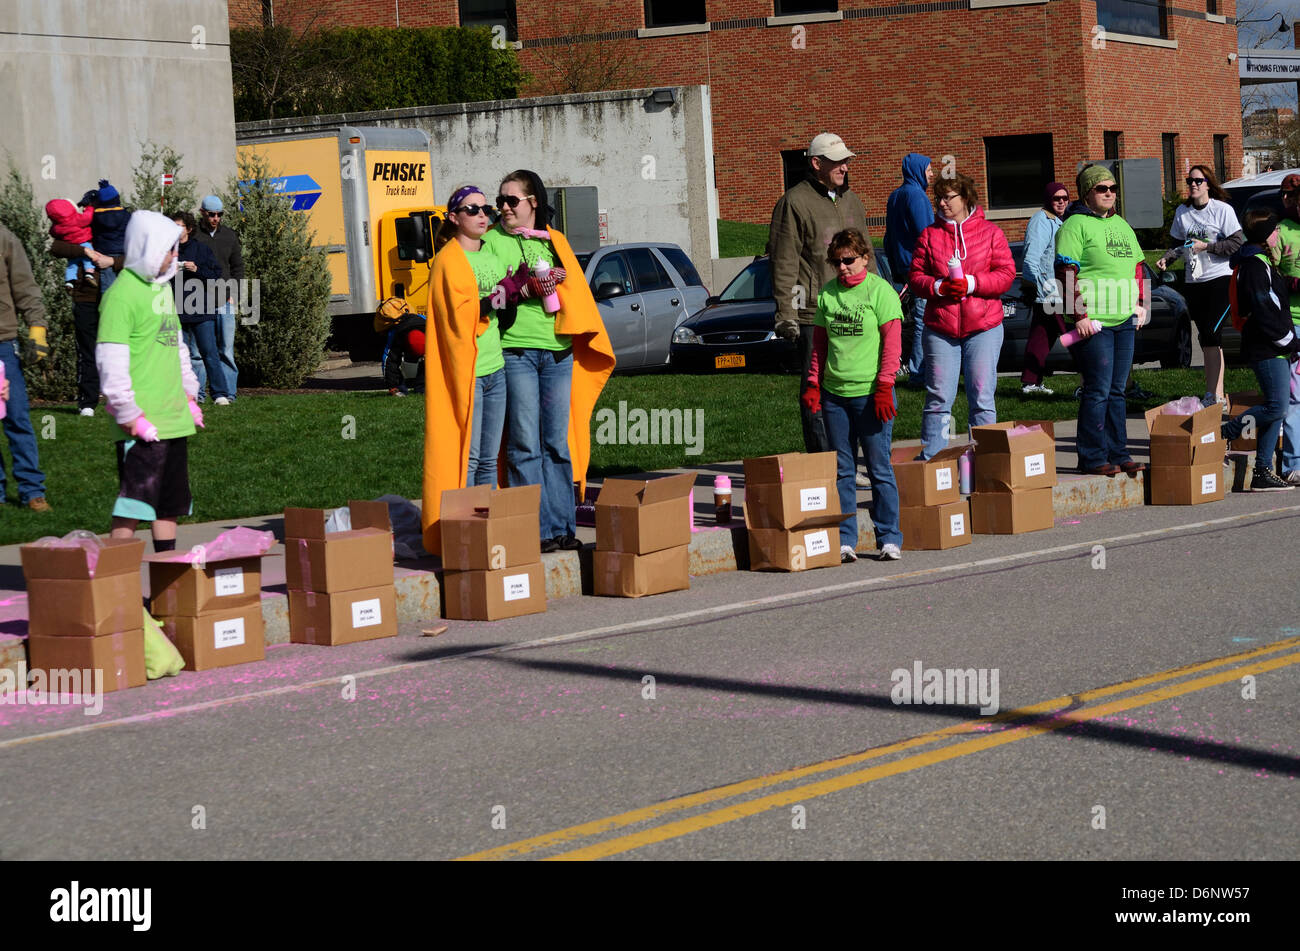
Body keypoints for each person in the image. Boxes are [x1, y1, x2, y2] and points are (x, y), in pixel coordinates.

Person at [462, 170, 615, 554]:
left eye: (511, 200)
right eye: (500, 201)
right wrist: (523, 288)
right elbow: (488, 296)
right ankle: (537, 529)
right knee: (524, 443)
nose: (503, 208)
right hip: (516, 352)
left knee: (556, 444)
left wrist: (559, 280)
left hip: (558, 352)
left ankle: (563, 527)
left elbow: (575, 292)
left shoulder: (553, 240)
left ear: (533, 202)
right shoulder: (491, 242)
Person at [97, 211, 203, 552]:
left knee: (168, 504)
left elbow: (178, 347)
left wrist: (189, 393)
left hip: (172, 417)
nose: (175, 256)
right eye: (168, 250)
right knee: (133, 505)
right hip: (142, 421)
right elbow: (110, 361)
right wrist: (126, 411)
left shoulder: (161, 291)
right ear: (147, 248)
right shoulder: (121, 296)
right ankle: (117, 583)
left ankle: (167, 584)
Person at [420, 185, 510, 552]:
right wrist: (491, 302)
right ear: (454, 217)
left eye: (484, 208)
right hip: (467, 372)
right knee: (468, 458)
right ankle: (463, 534)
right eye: (471, 209)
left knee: (490, 458)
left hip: (496, 368)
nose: (481, 214)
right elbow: (454, 317)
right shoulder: (448, 260)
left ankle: (487, 531)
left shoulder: (491, 252)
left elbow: (509, 293)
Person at [769, 133, 870, 454]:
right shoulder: (794, 203)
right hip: (813, 313)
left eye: (846, 160)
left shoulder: (852, 200)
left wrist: (880, 300)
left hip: (856, 309)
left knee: (853, 386)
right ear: (816, 163)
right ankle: (827, 462)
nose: (844, 165)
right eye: (837, 160)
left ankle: (849, 459)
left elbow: (868, 255)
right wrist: (786, 314)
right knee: (817, 389)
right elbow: (783, 261)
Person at [806, 229, 903, 563]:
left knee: (879, 468)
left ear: (865, 258)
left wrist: (885, 386)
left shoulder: (881, 292)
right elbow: (820, 344)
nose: (843, 267)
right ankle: (846, 539)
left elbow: (892, 345)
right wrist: (813, 383)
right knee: (843, 470)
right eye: (837, 262)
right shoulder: (829, 295)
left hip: (871, 393)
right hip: (836, 395)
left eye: (849, 260)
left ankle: (889, 537)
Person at [907, 172, 1015, 460]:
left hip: (984, 327)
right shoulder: (929, 235)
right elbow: (916, 277)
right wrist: (938, 286)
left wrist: (973, 283)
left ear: (965, 198)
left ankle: (987, 462)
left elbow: (1006, 276)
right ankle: (933, 462)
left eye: (948, 197)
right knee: (939, 397)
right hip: (941, 328)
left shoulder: (991, 233)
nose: (941, 203)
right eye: (938, 198)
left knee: (981, 396)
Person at [1055, 164, 1149, 476]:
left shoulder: (1122, 224)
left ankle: (1119, 453)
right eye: (1101, 189)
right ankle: (1092, 457)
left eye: (1112, 188)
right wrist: (1079, 314)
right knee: (1097, 388)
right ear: (1087, 193)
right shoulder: (1074, 225)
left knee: (1118, 390)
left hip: (1124, 320)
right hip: (1094, 322)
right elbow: (1066, 272)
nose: (1109, 193)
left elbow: (1137, 267)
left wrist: (1139, 304)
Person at [1221, 210, 1300, 491]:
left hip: (1274, 346)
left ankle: (1263, 471)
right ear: (1266, 234)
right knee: (1276, 407)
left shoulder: (1263, 261)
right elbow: (1264, 308)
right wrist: (1288, 340)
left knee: (1276, 409)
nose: (1279, 233)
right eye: (1276, 229)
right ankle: (1225, 433)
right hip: (1266, 346)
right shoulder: (1255, 264)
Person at [1154, 165, 1243, 410]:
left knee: (1212, 335)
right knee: (1207, 338)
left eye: (1198, 181)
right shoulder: (1183, 212)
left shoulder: (1221, 210)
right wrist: (1167, 258)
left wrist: (1208, 247)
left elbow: (1237, 243)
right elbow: (1178, 244)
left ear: (1208, 184)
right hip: (1194, 281)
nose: (1193, 185)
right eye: (1189, 181)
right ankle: (1219, 395)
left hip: (1219, 278)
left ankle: (1212, 395)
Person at [0, 222, 52, 511]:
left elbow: (26, 288)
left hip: (3, 344)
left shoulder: (5, 239)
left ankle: (32, 491)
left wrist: (37, 328)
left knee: (17, 418)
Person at [49, 228, 117, 417]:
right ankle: (88, 401)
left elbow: (134, 257)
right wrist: (84, 251)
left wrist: (112, 261)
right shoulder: (80, 227)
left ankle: (124, 397)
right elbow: (56, 247)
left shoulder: (118, 226)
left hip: (115, 296)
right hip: (85, 298)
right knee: (88, 350)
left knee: (119, 349)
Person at [884, 153, 935, 387]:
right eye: (928, 170)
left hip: (903, 266)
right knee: (924, 319)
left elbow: (888, 237)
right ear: (917, 171)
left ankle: (905, 367)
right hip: (921, 265)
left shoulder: (895, 196)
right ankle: (918, 372)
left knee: (907, 318)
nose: (932, 174)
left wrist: (896, 265)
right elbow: (928, 234)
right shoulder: (917, 196)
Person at [172, 211, 232, 405]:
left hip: (202, 309)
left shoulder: (201, 249)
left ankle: (220, 394)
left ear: (189, 229)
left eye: (179, 226)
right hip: (175, 310)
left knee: (210, 354)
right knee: (177, 357)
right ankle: (185, 394)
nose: (175, 229)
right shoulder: (166, 251)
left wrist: (197, 270)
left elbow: (215, 275)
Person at [1019, 182, 1070, 395]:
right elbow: (1031, 259)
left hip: (1055, 290)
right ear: (1048, 199)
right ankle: (1091, 378)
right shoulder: (1041, 221)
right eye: (1056, 198)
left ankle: (1032, 382)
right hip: (1050, 292)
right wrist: (1041, 290)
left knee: (1043, 336)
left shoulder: (1056, 222)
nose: (1061, 202)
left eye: (1065, 198)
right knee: (1073, 334)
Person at [193, 195, 244, 402]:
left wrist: (234, 294)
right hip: (197, 300)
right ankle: (197, 395)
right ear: (203, 213)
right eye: (212, 214)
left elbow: (238, 268)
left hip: (225, 300)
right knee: (197, 352)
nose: (215, 218)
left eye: (219, 215)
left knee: (226, 350)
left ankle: (229, 394)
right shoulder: (194, 236)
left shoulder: (229, 236)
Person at [1273, 178, 1300, 484]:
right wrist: (1293, 283)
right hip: (1294, 321)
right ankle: (1293, 463)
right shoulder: (1283, 231)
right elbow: (1272, 273)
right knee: (1296, 397)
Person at [81, 179, 129, 294]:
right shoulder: (127, 216)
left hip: (102, 255)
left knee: (108, 292)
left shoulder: (95, 218)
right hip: (123, 255)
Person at [45, 198, 96, 288]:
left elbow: (52, 233)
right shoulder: (76, 219)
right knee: (88, 259)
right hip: (84, 242)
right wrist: (89, 208)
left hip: (72, 246)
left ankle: (69, 281)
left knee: (72, 265)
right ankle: (89, 273)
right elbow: (87, 217)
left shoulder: (56, 227)